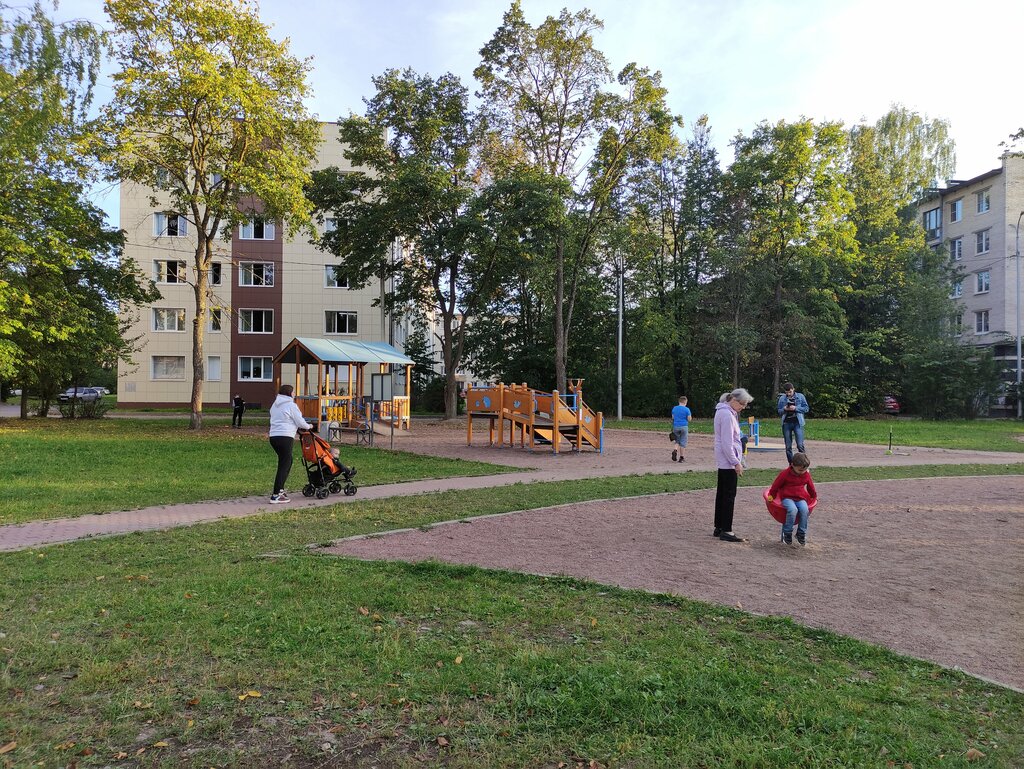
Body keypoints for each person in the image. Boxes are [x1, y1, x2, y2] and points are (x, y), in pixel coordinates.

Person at [713, 387, 753, 543]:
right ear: (734, 400)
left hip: (724, 460)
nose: (743, 407)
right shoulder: (728, 415)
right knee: (729, 495)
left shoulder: (724, 412)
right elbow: (727, 443)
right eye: (742, 404)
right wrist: (736, 462)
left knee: (722, 494)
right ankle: (727, 530)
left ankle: (719, 526)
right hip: (728, 461)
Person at [268, 384, 313, 504]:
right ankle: (276, 494)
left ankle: (280, 490)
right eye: (293, 392)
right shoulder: (291, 405)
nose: (294, 394)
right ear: (289, 393)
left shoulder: (275, 405)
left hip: (273, 437)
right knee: (284, 465)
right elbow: (300, 421)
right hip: (285, 437)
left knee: (287, 461)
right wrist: (309, 426)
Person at [767, 452, 816, 546]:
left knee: (804, 510)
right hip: (787, 498)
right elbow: (776, 485)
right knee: (792, 510)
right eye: (800, 470)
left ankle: (801, 533)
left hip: (800, 498)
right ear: (792, 465)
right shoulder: (785, 474)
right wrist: (771, 496)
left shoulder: (806, 474)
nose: (802, 472)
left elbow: (810, 486)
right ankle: (787, 532)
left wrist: (814, 496)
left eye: (804, 469)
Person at [776, 382, 810, 462]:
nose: (788, 394)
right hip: (786, 423)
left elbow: (806, 408)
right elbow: (779, 411)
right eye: (787, 392)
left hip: (797, 423)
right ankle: (791, 465)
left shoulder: (800, 396)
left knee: (800, 445)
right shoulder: (782, 398)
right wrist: (784, 409)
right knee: (788, 446)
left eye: (790, 392)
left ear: (793, 389)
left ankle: (804, 463)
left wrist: (795, 408)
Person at [670, 395, 691, 462]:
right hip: (684, 426)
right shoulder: (687, 409)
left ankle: (675, 450)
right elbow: (689, 419)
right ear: (685, 402)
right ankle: (681, 457)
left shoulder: (674, 408)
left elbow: (673, 417)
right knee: (683, 442)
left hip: (676, 426)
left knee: (677, 440)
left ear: (679, 401)